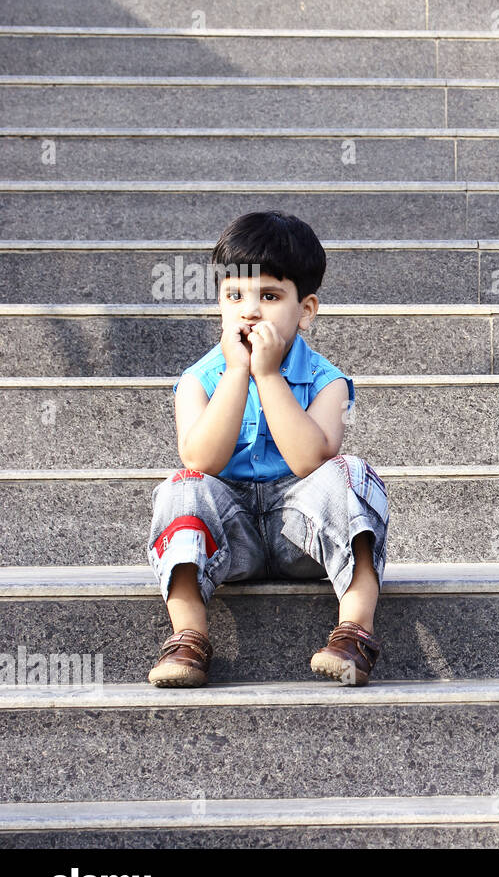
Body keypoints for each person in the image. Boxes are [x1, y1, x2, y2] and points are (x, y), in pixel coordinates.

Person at [145, 210, 389, 687]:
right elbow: (200, 459)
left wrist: (269, 374)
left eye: (270, 296)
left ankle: (355, 633)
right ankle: (189, 638)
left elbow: (309, 460)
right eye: (235, 295)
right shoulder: (199, 380)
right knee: (181, 488)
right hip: (231, 533)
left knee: (351, 474)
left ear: (306, 310)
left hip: (301, 532)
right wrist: (238, 373)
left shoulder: (328, 382)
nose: (249, 311)